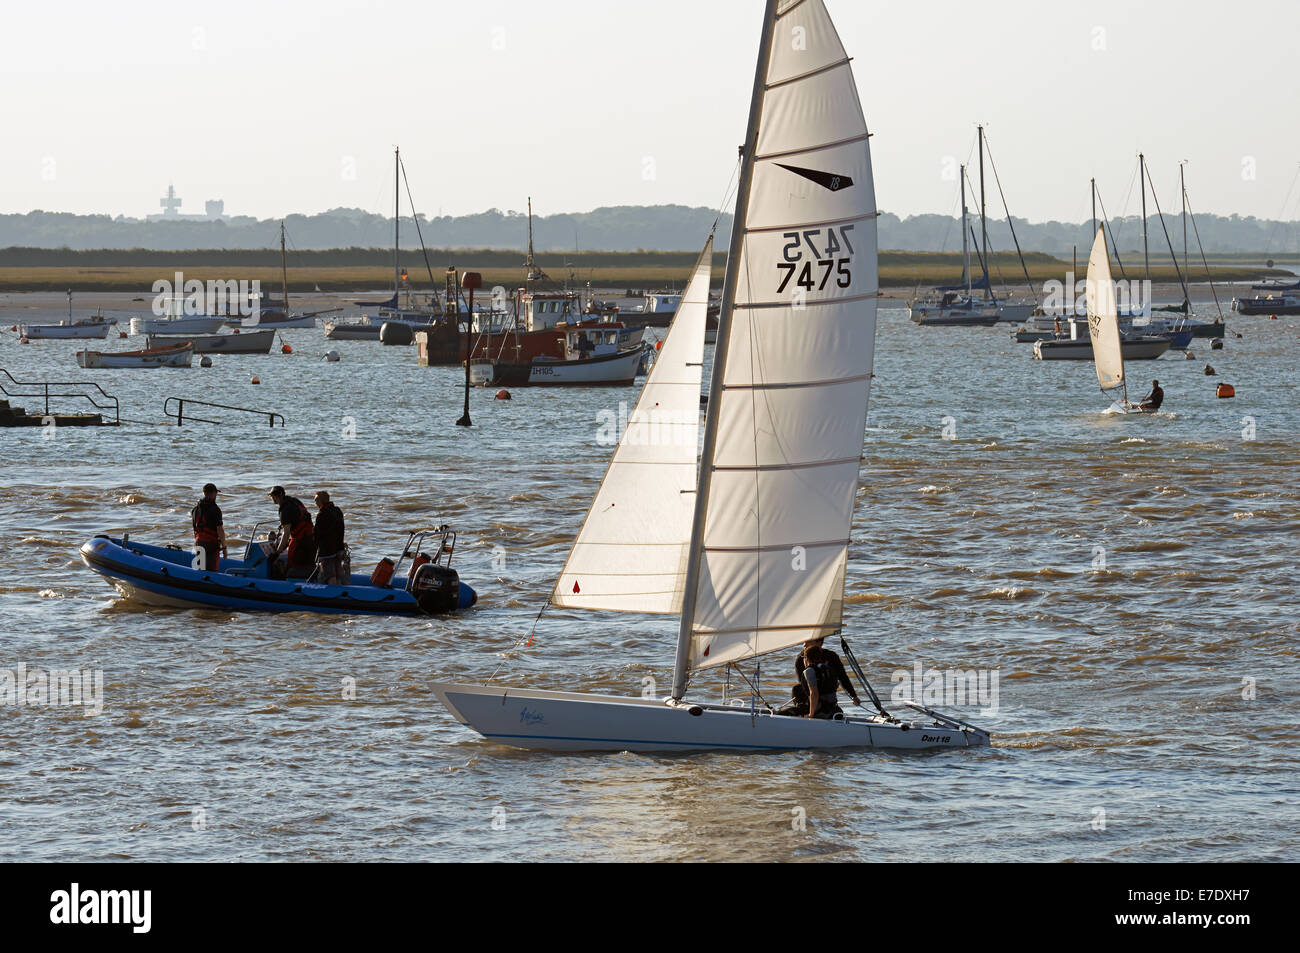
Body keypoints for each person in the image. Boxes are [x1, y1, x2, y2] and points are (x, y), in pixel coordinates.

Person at [777, 637, 861, 717]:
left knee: (796, 690)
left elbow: (842, 677)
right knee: (798, 689)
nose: (804, 645)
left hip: (818, 708)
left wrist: (853, 695)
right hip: (830, 707)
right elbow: (804, 687)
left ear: (819, 642)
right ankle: (808, 709)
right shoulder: (801, 659)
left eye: (808, 641)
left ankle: (806, 713)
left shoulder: (830, 657)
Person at [269, 485, 316, 577]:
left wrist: (277, 552)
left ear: (281, 495)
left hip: (300, 541)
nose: (273, 498)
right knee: (309, 563)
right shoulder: (295, 501)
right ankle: (315, 576)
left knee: (292, 568)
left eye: (274, 496)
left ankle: (292, 582)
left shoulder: (284, 510)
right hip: (311, 538)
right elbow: (298, 519)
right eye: (272, 496)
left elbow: (286, 533)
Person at [190, 482, 227, 572]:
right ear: (213, 493)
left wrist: (196, 542)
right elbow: (220, 530)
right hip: (211, 545)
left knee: (200, 570)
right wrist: (224, 548)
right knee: (212, 571)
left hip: (199, 543)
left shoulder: (195, 509)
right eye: (216, 493)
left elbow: (195, 528)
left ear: (204, 493)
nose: (216, 495)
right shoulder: (215, 510)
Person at [313, 490, 346, 585]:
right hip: (338, 548)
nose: (315, 503)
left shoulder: (322, 514)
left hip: (327, 551)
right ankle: (341, 591)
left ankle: (335, 595)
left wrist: (315, 549)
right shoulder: (337, 511)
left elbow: (317, 535)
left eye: (315, 500)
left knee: (330, 576)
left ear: (320, 501)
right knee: (337, 574)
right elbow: (341, 529)